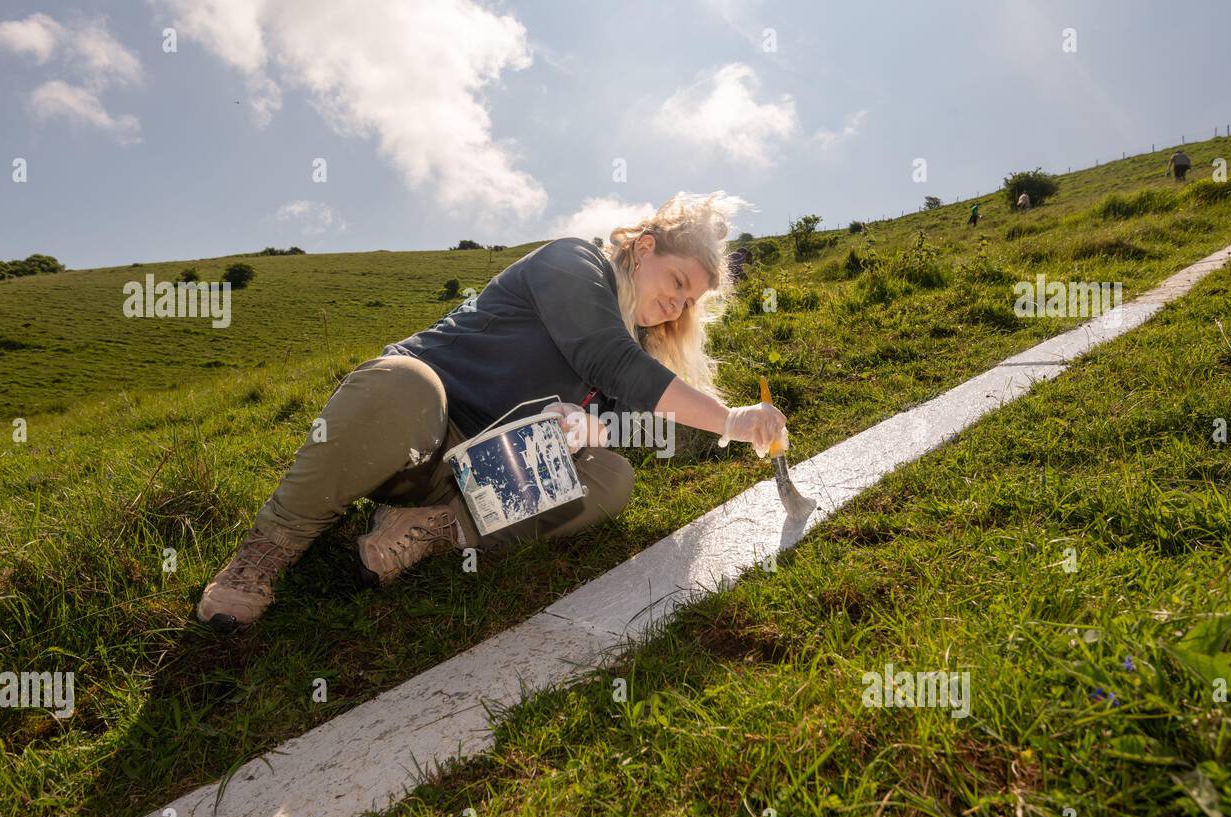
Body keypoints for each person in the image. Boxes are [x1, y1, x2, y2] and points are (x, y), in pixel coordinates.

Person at [194, 191, 789, 629]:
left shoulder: (637, 341)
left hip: (482, 473)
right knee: (404, 382)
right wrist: (731, 420)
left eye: (691, 299)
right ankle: (268, 549)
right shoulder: (572, 264)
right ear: (644, 249)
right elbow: (610, 361)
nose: (678, 303)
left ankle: (435, 528)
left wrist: (596, 426)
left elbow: (636, 411)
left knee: (611, 475)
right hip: (413, 436)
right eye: (677, 280)